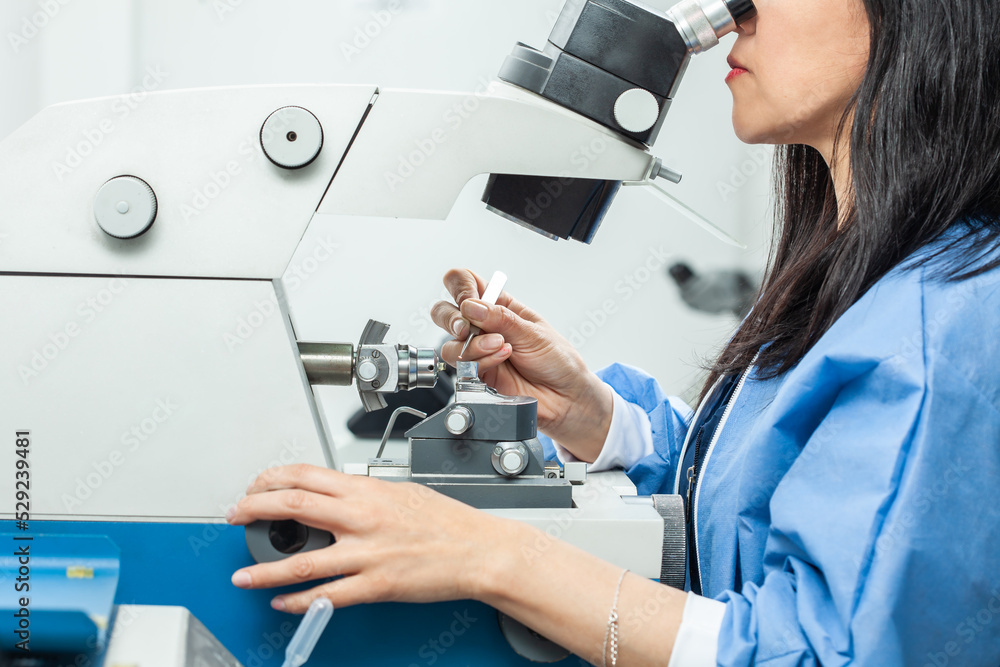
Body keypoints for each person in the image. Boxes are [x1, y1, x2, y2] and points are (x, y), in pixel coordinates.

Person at [225, 0, 1000, 664]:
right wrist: (596, 417)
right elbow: (757, 516)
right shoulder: (869, 274)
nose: (736, 13)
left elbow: (820, 650)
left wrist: (485, 553)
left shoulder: (943, 324)